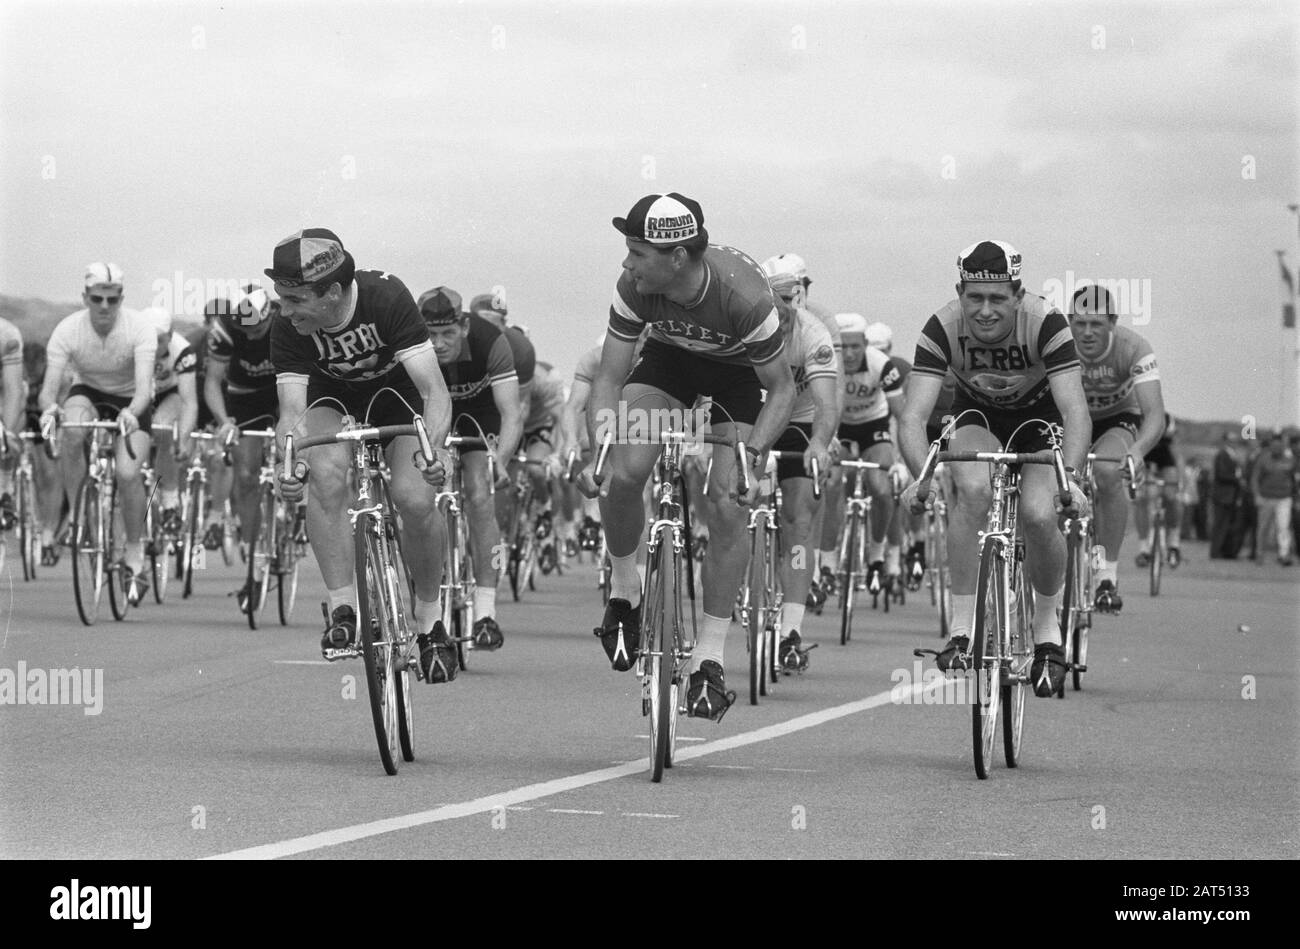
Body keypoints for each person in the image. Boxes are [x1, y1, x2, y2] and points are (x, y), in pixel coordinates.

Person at [579, 192, 796, 721]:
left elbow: (783, 389)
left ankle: (709, 658)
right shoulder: (635, 286)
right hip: (668, 364)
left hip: (736, 376)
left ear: (677, 255)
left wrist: (754, 456)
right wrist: (599, 449)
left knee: (728, 503)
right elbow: (609, 376)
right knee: (625, 472)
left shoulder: (744, 297)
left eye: (637, 251)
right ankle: (626, 589)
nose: (627, 262)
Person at [899, 240, 1090, 699]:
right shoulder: (941, 326)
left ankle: (1047, 630)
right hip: (977, 417)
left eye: (998, 298)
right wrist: (919, 478)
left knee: (1041, 514)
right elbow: (911, 415)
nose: (985, 311)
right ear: (960, 291)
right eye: (975, 298)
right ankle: (962, 631)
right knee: (972, 490)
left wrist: (1074, 479)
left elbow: (1076, 411)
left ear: (1018, 294)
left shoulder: (1046, 322)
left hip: (1039, 422)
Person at [268, 228, 457, 683]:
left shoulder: (386, 297)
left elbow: (434, 390)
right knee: (326, 473)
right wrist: (289, 461)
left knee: (415, 499)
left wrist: (432, 451)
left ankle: (430, 619)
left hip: (399, 396)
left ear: (332, 292)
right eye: (281, 298)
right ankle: (344, 609)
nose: (285, 310)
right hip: (330, 398)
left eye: (294, 299)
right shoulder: (287, 326)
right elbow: (294, 414)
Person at [39, 263, 156, 604]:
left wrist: (132, 414)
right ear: (85, 298)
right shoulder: (67, 330)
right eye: (97, 299)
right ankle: (78, 517)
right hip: (88, 391)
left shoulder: (139, 328)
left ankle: (134, 553)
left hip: (131, 398)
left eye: (112, 299)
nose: (105, 306)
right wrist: (50, 408)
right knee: (72, 433)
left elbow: (145, 389)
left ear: (121, 298)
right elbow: (48, 391)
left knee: (127, 472)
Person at [422, 285, 520, 649]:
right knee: (418, 492)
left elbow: (511, 415)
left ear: (463, 327)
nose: (438, 343)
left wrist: (501, 461)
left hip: (480, 416)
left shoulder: (490, 341)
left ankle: (485, 613)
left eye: (447, 333)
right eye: (430, 334)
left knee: (481, 494)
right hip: (431, 415)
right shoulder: (411, 347)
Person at [1068, 284, 1168, 612]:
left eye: (1095, 323)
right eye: (1079, 323)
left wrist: (1137, 451)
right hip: (1070, 416)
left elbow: (1154, 415)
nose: (1086, 332)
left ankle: (1105, 574)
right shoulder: (1059, 344)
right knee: (1049, 474)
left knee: (1108, 471)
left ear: (1113, 323)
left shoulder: (1134, 347)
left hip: (1118, 418)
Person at [756, 279, 838, 671]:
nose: (780, 310)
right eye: (772, 302)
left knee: (799, 520)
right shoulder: (742, 325)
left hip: (800, 420)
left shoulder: (812, 333)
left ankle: (791, 630)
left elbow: (826, 403)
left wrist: (820, 444)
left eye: (786, 302)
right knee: (731, 502)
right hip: (753, 414)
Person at [206, 284, 281, 610]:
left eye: (258, 328)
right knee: (246, 476)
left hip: (282, 392)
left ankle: (295, 509)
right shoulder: (224, 329)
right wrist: (224, 420)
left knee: (297, 447)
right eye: (244, 330)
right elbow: (212, 382)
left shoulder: (285, 323)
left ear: (269, 316)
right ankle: (253, 555)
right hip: (244, 397)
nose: (251, 336)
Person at [142, 306, 199, 539]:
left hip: (170, 394)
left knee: (162, 428)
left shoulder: (182, 350)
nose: (155, 346)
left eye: (160, 340)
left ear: (171, 334)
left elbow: (189, 402)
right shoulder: (132, 344)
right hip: (140, 393)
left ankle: (169, 498)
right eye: (150, 339)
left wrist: (183, 438)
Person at [1250, 433, 1296, 565]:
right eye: (1274, 445)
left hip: (1284, 498)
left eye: (1279, 445)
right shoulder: (1263, 459)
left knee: (1283, 527)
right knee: (1263, 528)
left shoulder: (1289, 460)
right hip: (1266, 498)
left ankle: (1283, 555)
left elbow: (1294, 479)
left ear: (1283, 446)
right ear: (1270, 446)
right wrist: (1257, 495)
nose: (1276, 448)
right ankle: (1259, 554)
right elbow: (1255, 479)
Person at [1209, 433, 1245, 559]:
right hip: (1222, 496)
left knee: (1226, 525)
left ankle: (1224, 551)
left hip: (1230, 496)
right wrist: (1237, 479)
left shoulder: (1232, 455)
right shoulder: (1222, 455)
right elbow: (1221, 474)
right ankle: (1216, 551)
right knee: (1220, 525)